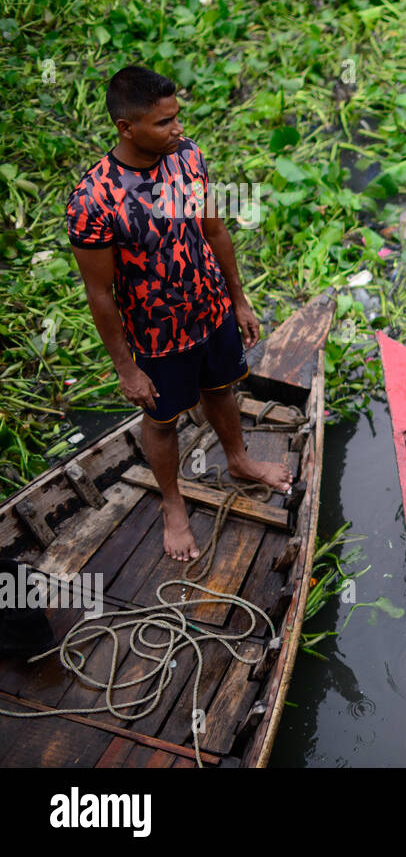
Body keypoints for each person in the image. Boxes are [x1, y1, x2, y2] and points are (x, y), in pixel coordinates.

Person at [66, 66, 290, 563]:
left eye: (178, 118)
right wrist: (126, 367)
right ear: (127, 128)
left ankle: (238, 460)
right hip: (156, 335)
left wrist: (239, 298)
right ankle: (173, 503)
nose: (178, 130)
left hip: (209, 308)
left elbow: (213, 231)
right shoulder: (94, 200)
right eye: (164, 123)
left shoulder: (187, 158)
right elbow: (100, 294)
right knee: (163, 420)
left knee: (221, 389)